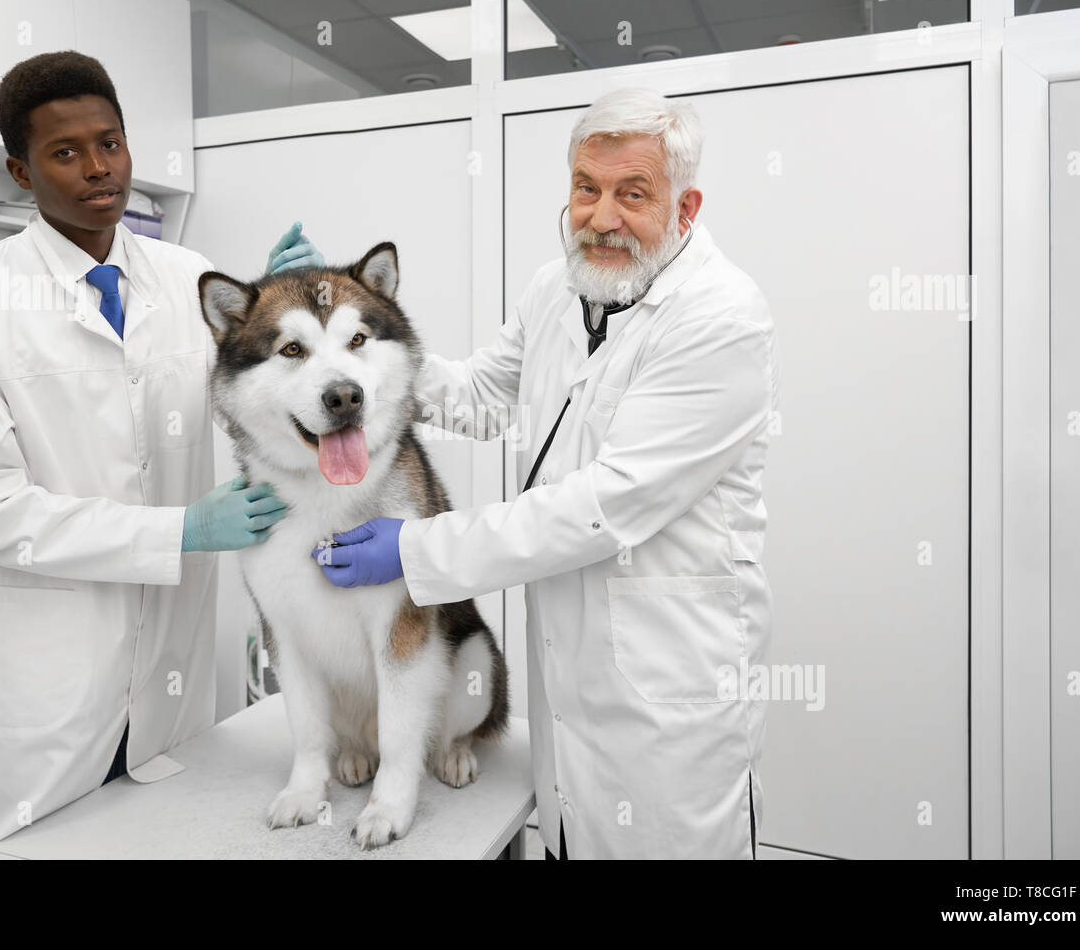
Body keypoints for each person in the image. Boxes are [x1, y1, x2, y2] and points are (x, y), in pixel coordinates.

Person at [313, 88, 780, 859]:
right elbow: (479, 396)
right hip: (567, 680)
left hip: (670, 697)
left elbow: (603, 507)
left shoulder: (722, 317)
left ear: (686, 207)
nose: (602, 216)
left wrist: (415, 549)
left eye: (633, 194)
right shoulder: (557, 288)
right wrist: (354, 344)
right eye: (586, 188)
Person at [0, 51, 321, 858]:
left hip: (171, 666)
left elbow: (250, 405)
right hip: (46, 680)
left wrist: (282, 328)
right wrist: (178, 531)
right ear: (20, 172)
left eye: (111, 143)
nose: (99, 169)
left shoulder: (187, 277)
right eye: (65, 152)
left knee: (172, 836)